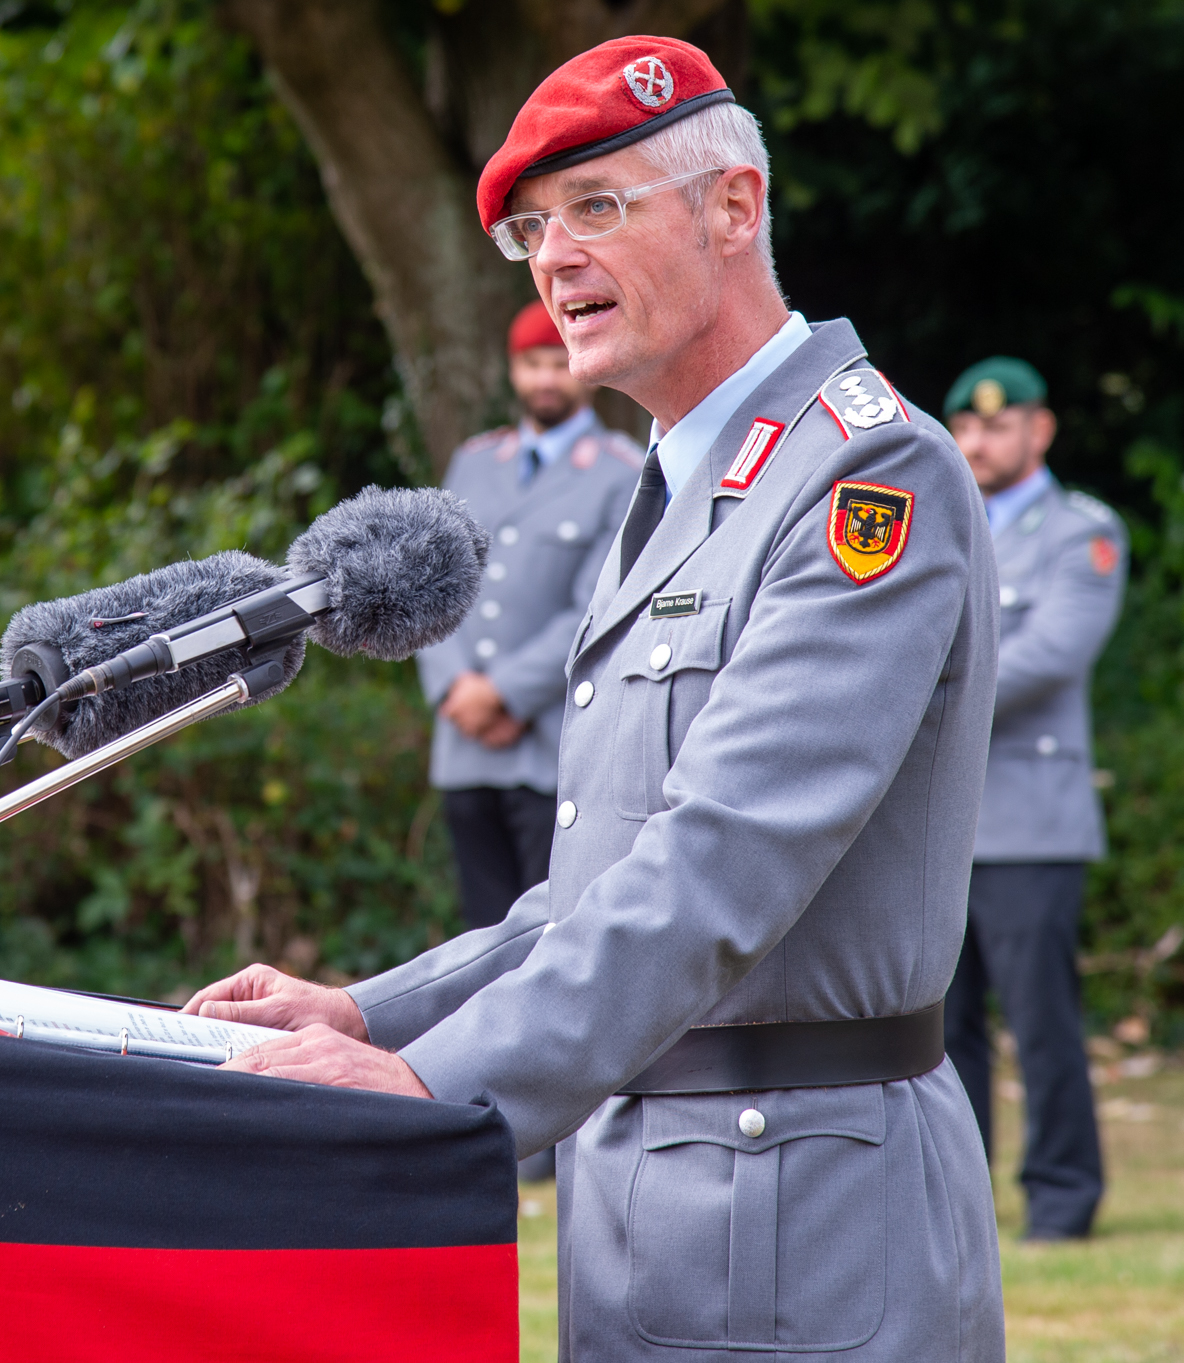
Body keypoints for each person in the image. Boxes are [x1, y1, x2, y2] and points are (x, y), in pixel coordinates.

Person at [187, 36, 1005, 1361]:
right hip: (642, 1204)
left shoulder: (867, 483)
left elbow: (715, 863)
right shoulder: (683, 485)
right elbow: (596, 887)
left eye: (598, 206)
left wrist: (427, 1080)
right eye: (530, 229)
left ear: (734, 207)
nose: (555, 255)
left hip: (805, 1217)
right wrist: (370, 1011)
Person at [942, 357, 1123, 1241]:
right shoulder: (941, 520)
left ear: (1039, 431)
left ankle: (1061, 1197)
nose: (980, 440)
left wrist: (922, 690)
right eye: (967, 427)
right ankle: (958, 1199)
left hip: (1031, 822)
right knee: (940, 1033)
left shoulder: (1081, 531)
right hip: (941, 826)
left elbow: (1054, 651)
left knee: (1042, 1024)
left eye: (999, 424)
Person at [422, 301, 643, 936]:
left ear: (582, 370)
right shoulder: (474, 462)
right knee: (476, 935)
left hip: (551, 745)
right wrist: (456, 690)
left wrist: (504, 695)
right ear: (512, 371)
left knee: (550, 935)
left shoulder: (619, 473)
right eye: (531, 365)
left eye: (557, 363)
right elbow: (431, 583)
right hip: (462, 743)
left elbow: (596, 609)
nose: (546, 379)